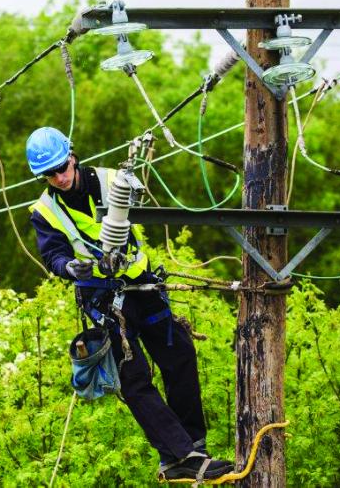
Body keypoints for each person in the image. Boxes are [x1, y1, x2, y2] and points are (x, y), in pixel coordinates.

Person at [25, 126, 234, 482]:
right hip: (104, 300)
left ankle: (191, 446)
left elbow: (141, 213)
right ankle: (181, 455)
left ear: (72, 156)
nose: (59, 178)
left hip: (142, 286)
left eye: (62, 167)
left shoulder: (112, 181)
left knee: (179, 353)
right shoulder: (44, 211)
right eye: (50, 174)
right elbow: (54, 255)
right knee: (134, 378)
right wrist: (68, 267)